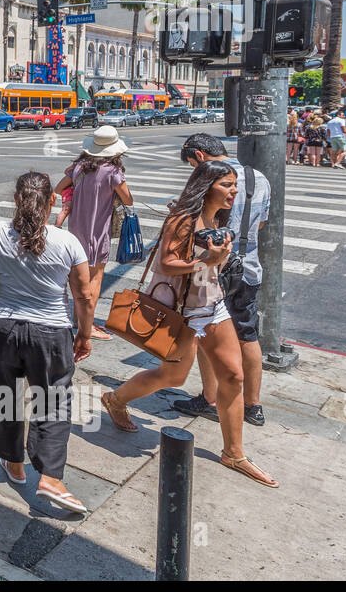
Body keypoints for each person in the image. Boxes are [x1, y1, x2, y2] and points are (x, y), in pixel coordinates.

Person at [101, 161, 278, 488]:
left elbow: (211, 263)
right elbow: (166, 261)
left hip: (212, 302)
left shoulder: (218, 217)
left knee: (233, 375)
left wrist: (219, 262)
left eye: (234, 184)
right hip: (183, 311)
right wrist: (206, 261)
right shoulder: (183, 218)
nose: (234, 190)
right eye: (227, 184)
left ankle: (234, 453)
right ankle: (115, 400)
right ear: (207, 186)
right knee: (172, 376)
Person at [0, 171, 95, 513]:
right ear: (52, 201)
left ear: (16, 200)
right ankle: (50, 476)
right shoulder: (68, 242)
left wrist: (1, 262)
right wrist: (84, 333)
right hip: (50, 333)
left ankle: (14, 463)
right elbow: (83, 295)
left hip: (1, 327)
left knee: (4, 394)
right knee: (52, 400)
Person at [173, 134, 270, 427]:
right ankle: (253, 405)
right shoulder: (258, 177)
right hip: (248, 268)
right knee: (248, 336)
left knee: (206, 333)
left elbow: (198, 222)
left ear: (200, 156)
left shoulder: (209, 179)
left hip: (215, 270)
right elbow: (262, 222)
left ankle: (209, 399)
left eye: (192, 163)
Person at [53, 126, 132, 340]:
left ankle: (79, 319)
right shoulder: (113, 172)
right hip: (98, 231)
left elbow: (59, 188)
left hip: (76, 230)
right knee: (95, 278)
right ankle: (87, 326)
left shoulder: (78, 167)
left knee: (78, 277)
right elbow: (128, 200)